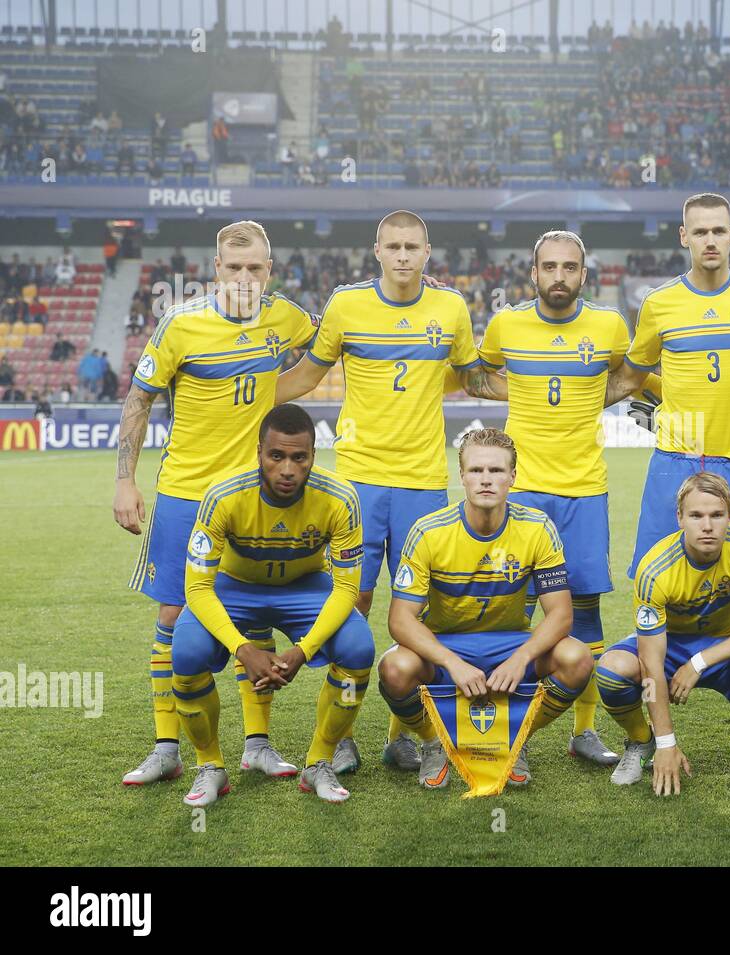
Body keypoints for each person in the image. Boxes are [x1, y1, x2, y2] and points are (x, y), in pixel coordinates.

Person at [275, 210, 505, 768]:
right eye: (393, 247)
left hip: (423, 481)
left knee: (420, 612)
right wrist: (239, 403)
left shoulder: (450, 308)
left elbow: (474, 378)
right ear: (376, 251)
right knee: (350, 604)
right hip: (356, 481)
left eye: (413, 247)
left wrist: (554, 381)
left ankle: (406, 732)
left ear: (428, 253)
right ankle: (342, 728)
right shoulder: (347, 304)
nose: (403, 256)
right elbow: (305, 376)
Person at [114, 220, 319, 787]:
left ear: (270, 270)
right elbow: (139, 399)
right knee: (174, 616)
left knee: (250, 613)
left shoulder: (287, 317)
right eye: (235, 267)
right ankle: (166, 748)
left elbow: (324, 350)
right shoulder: (180, 324)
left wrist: (280, 390)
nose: (246, 277)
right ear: (216, 269)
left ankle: (257, 744)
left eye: (256, 267)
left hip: (253, 499)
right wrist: (125, 481)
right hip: (185, 493)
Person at [476, 230, 642, 765]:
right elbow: (476, 375)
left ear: (583, 275)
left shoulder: (609, 325)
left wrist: (598, 393)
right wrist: (523, 385)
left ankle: (583, 731)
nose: (559, 276)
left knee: (585, 607)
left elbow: (627, 376)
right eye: (549, 267)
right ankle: (501, 726)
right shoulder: (506, 324)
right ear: (533, 273)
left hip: (584, 490)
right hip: (520, 492)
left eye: (570, 268)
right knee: (509, 609)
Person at [171, 405, 374, 806]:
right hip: (235, 589)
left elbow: (347, 589)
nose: (287, 469)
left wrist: (303, 651)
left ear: (314, 455)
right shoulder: (223, 496)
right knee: (187, 654)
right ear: (259, 451)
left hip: (305, 588)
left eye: (299, 457)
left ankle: (320, 760)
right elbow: (197, 589)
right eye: (276, 456)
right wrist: (243, 649)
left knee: (359, 650)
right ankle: (209, 765)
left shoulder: (340, 498)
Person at [379, 429, 593, 789]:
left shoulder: (538, 528)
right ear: (461, 476)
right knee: (395, 668)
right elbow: (400, 619)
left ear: (513, 477)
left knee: (578, 658)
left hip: (509, 644)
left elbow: (561, 615)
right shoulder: (428, 532)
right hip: (446, 647)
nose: (486, 480)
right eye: (476, 470)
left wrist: (520, 658)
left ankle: (515, 735)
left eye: (496, 471)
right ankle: (435, 742)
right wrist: (451, 662)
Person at [605, 192, 730, 582]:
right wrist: (580, 399)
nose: (710, 240)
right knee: (655, 576)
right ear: (683, 236)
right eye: (700, 231)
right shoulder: (659, 303)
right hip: (676, 458)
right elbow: (632, 376)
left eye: (718, 230)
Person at [596, 472, 730, 794]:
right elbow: (650, 661)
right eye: (696, 515)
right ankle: (642, 742)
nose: (707, 525)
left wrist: (699, 662)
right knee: (612, 670)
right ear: (680, 518)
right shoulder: (654, 569)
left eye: (716, 515)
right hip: (670, 644)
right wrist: (666, 742)